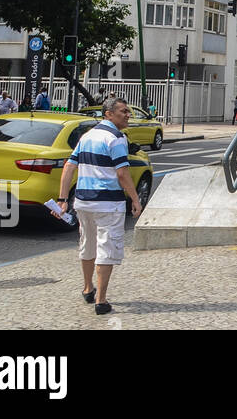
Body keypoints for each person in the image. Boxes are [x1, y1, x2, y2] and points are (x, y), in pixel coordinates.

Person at [54, 95, 142, 315]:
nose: (128, 115)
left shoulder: (87, 136)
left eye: (128, 111)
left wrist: (63, 200)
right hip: (108, 203)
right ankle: (101, 301)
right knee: (106, 247)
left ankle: (87, 288)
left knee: (87, 244)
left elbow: (69, 167)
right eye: (123, 111)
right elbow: (122, 173)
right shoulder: (116, 138)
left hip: (83, 202)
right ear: (109, 114)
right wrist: (135, 199)